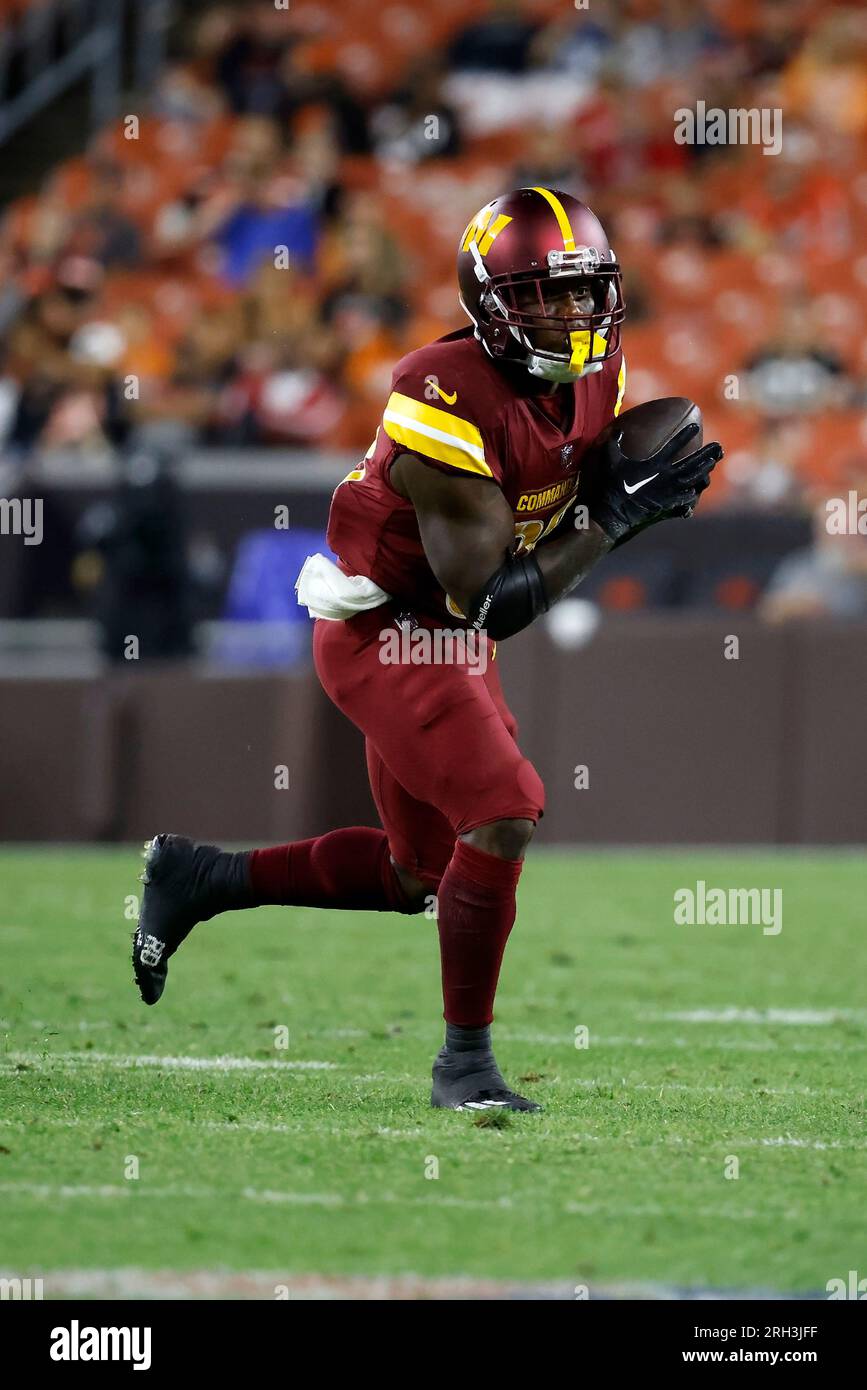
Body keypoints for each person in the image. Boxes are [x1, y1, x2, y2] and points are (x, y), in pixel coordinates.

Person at [132, 188, 721, 1112]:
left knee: (418, 874)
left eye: (585, 293)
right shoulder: (440, 394)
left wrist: (611, 496)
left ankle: (200, 877)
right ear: (489, 302)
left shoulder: (589, 378)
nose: (573, 316)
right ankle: (465, 1066)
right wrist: (614, 516)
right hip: (388, 628)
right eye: (545, 295)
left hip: (446, 628)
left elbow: (545, 516)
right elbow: (490, 602)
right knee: (505, 807)